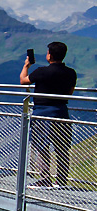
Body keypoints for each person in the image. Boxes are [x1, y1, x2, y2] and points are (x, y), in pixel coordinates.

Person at [21, 42, 77, 190]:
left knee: (42, 147)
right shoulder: (71, 73)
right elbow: (69, 93)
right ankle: (62, 182)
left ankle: (45, 180)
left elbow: (23, 80)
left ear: (49, 55)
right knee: (62, 148)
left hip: (42, 113)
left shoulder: (41, 71)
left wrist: (27, 65)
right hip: (61, 112)